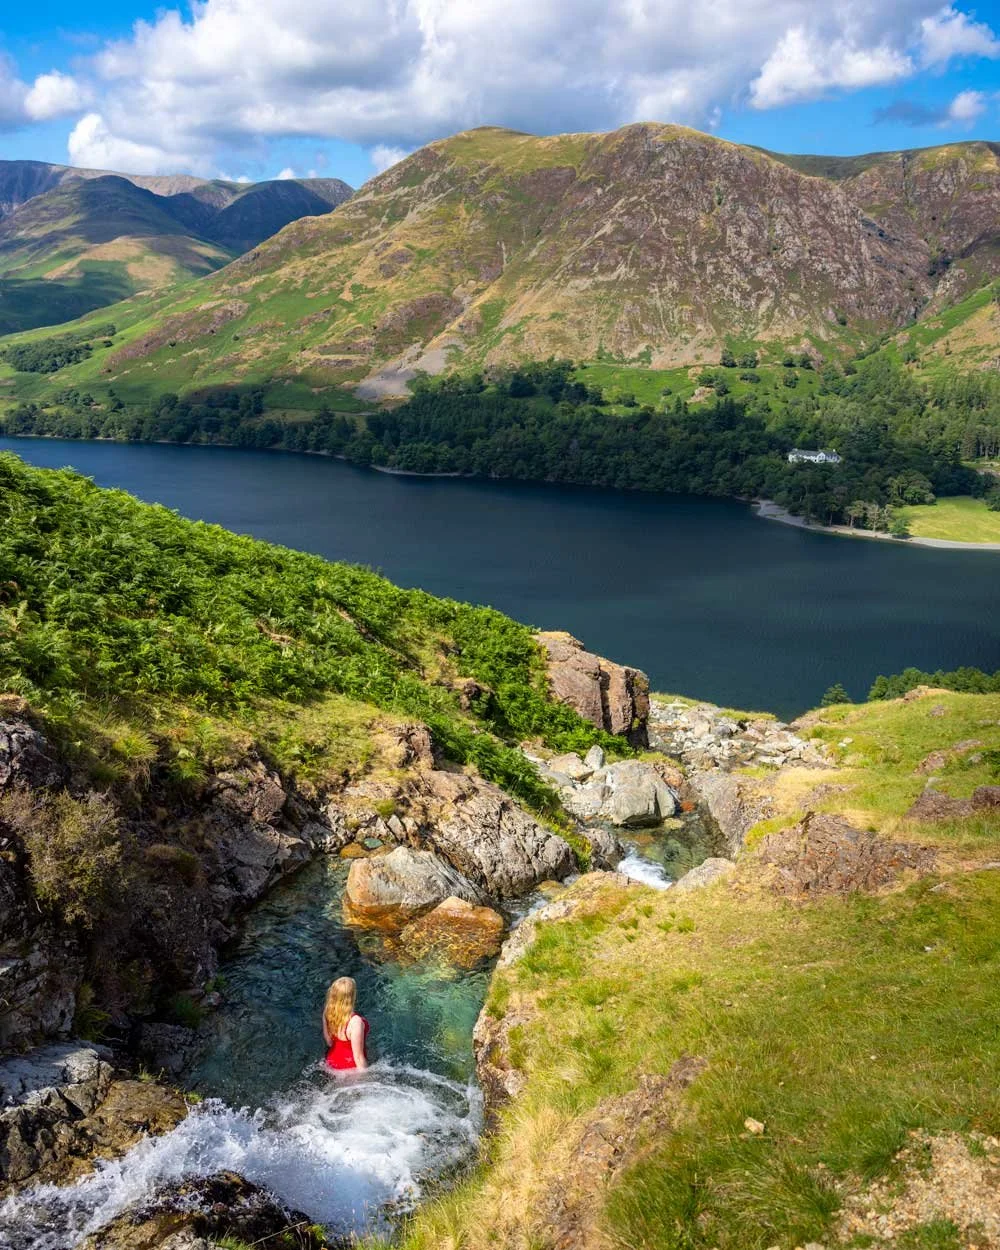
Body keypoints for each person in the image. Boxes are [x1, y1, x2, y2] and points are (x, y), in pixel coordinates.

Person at [323, 975, 369, 1071]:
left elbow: (329, 1042)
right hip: (350, 1068)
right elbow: (359, 1058)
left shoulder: (327, 1012)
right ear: (352, 996)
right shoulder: (355, 1022)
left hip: (330, 1063)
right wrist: (367, 1080)